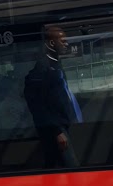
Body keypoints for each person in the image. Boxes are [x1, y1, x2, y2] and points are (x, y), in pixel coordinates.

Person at [23, 26, 83, 168]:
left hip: (63, 124)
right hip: (56, 128)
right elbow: (37, 103)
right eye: (62, 41)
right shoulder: (43, 68)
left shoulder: (56, 64)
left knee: (54, 165)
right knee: (71, 168)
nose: (66, 44)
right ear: (51, 43)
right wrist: (56, 131)